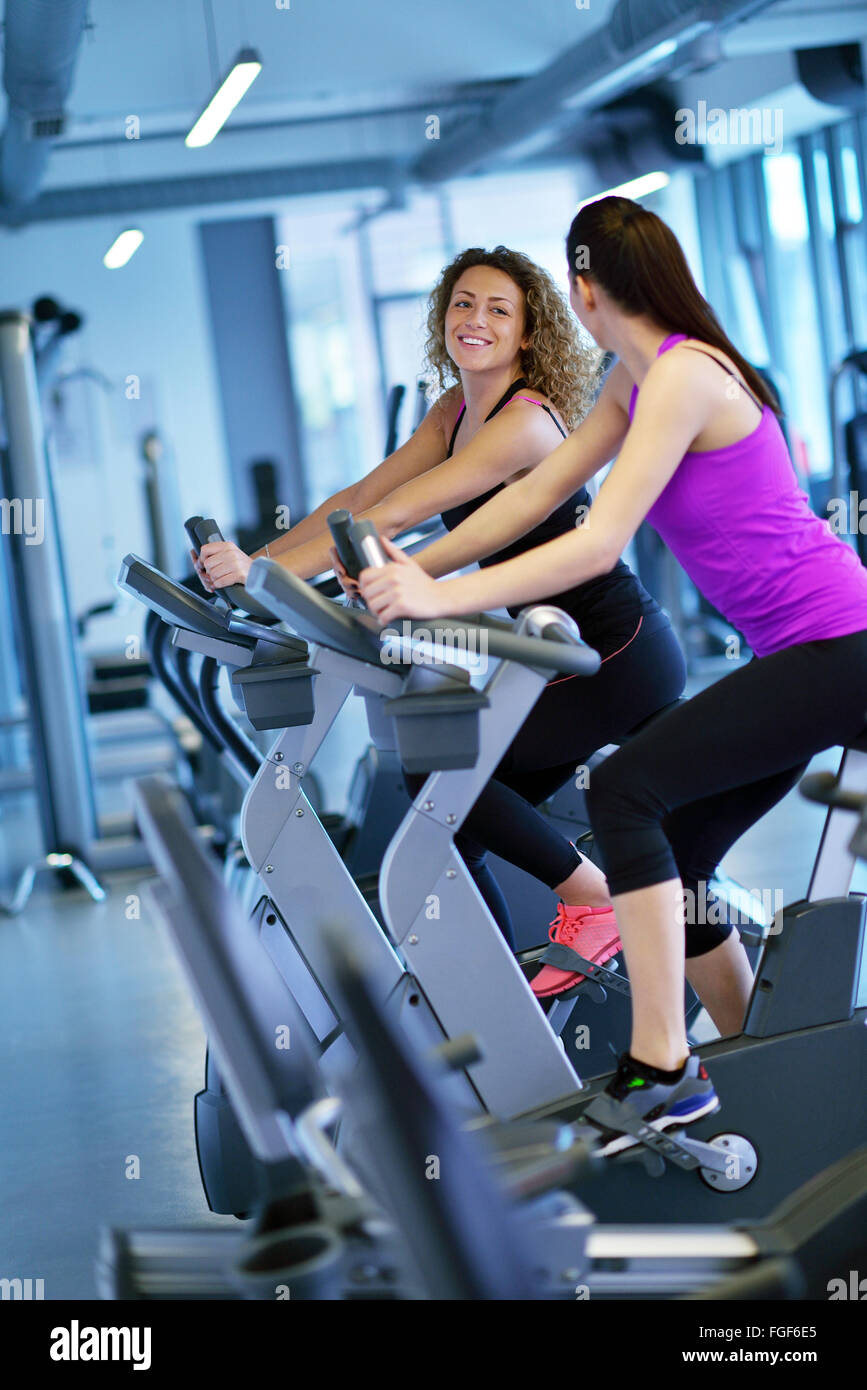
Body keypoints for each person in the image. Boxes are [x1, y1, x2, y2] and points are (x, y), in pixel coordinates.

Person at [358, 196, 867, 1153]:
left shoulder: (681, 378)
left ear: (587, 290)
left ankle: (663, 1069)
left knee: (627, 788)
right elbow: (538, 498)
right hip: (804, 655)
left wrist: (435, 599)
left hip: (837, 648)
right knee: (676, 840)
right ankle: (762, 1058)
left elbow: (595, 543)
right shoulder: (633, 385)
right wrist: (414, 573)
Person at [195, 246, 686, 983]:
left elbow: (398, 514)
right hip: (550, 648)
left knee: (447, 774)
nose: (475, 319)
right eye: (462, 303)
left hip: (614, 649)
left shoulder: (523, 423)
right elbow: (359, 497)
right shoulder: (453, 408)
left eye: (497, 309)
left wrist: (266, 574)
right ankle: (491, 995)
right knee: (442, 819)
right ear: (442, 316)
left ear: (527, 334)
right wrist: (255, 559)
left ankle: (591, 900)